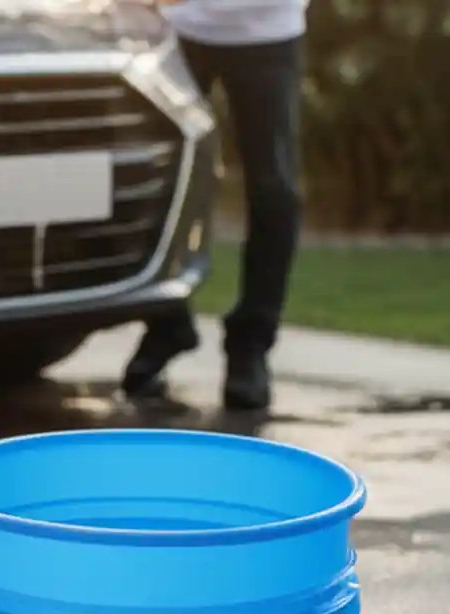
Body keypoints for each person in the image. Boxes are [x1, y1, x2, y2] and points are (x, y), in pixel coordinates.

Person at [124, 0, 308, 410]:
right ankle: (166, 319)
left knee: (274, 190)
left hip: (269, 33)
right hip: (176, 34)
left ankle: (251, 345)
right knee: (150, 179)